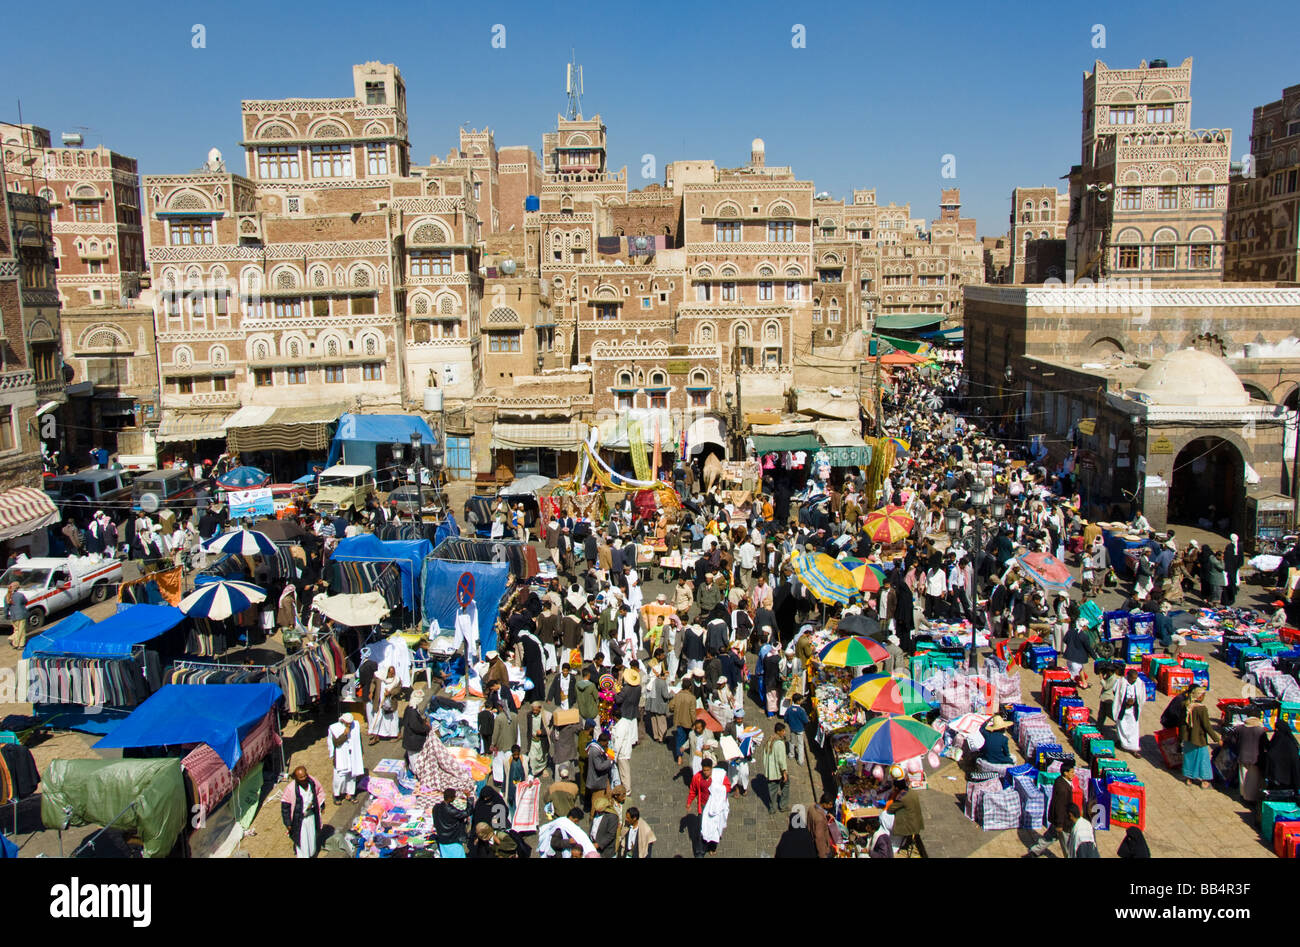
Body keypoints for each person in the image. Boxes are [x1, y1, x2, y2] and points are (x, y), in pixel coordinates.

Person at [686, 756, 732, 857]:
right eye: (704, 770)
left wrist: (718, 788)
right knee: (702, 829)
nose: (706, 772)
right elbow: (693, 790)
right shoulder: (697, 777)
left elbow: (728, 787)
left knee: (715, 827)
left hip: (716, 807)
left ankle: (712, 846)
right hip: (703, 807)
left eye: (708, 770)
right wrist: (689, 802)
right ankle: (700, 851)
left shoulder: (719, 776)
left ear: (712, 769)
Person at [1028, 757, 1075, 857]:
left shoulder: (1059, 780)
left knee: (1048, 837)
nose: (1073, 774)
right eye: (1071, 772)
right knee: (1066, 844)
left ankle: (1034, 851)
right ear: (1065, 773)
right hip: (1062, 821)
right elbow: (1060, 807)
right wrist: (1059, 824)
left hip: (1056, 819)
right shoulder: (1063, 789)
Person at [280, 766, 326, 858]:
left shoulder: (312, 782)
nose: (304, 778)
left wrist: (321, 805)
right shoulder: (291, 788)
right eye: (301, 777)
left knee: (311, 837)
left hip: (310, 815)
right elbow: (285, 807)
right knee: (302, 840)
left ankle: (311, 854)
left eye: (305, 776)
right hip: (299, 819)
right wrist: (288, 823)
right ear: (296, 778)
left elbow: (319, 791)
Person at [1180, 685, 1217, 789]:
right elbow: (1207, 726)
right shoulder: (1201, 709)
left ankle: (1189, 778)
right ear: (1199, 697)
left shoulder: (1185, 705)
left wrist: (1181, 737)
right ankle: (1205, 780)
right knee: (1203, 758)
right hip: (1199, 738)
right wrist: (1217, 739)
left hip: (1188, 737)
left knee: (1189, 758)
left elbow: (1181, 723)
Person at [327, 713, 365, 802]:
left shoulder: (355, 725)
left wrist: (361, 752)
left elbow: (359, 740)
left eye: (350, 723)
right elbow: (336, 743)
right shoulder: (334, 728)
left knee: (352, 776)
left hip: (352, 755)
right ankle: (337, 795)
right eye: (347, 723)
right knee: (339, 777)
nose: (349, 725)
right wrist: (344, 734)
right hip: (341, 756)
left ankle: (350, 793)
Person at [885, 777, 926, 858]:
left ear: (896, 788)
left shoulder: (901, 798)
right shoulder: (912, 792)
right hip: (917, 822)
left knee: (885, 817)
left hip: (909, 825)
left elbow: (890, 809)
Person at [1113, 668, 1146, 756]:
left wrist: (1133, 702)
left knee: (1133, 727)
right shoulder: (1121, 682)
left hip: (1133, 710)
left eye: (1135, 679)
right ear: (1128, 677)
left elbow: (1142, 696)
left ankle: (1133, 747)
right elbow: (1115, 691)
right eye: (1132, 679)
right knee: (1122, 726)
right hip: (1123, 708)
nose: (1133, 681)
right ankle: (1122, 743)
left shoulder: (1140, 683)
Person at [433, 787, 472, 858]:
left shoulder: (436, 807)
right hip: (453, 840)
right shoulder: (451, 811)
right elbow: (468, 812)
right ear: (450, 798)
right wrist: (468, 797)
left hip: (442, 839)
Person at [367, 666, 401, 745]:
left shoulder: (396, 680)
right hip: (379, 702)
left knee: (393, 720)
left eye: (393, 673)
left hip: (390, 703)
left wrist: (390, 693)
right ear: (387, 672)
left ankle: (396, 735)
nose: (392, 675)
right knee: (378, 718)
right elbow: (373, 683)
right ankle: (376, 736)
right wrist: (371, 692)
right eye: (391, 673)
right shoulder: (379, 677)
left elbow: (398, 689)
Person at [1265, 719, 1300, 794]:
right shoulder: (1281, 740)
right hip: (1278, 779)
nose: (1276, 731)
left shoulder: (1290, 745)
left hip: (1286, 781)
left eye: (1277, 729)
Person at [762, 721, 790, 813]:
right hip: (778, 772)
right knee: (785, 787)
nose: (784, 733)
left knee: (772, 792)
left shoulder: (769, 740)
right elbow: (781, 760)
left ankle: (772, 808)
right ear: (778, 731)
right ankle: (783, 805)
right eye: (783, 731)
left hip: (770, 772)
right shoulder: (779, 743)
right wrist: (784, 772)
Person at [4, 582, 29, 650]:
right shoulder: (20, 595)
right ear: (17, 588)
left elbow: (6, 608)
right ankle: (19, 644)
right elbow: (26, 601)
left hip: (13, 616)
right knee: (22, 631)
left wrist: (6, 615)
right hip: (21, 615)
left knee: (17, 630)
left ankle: (14, 641)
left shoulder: (7, 596)